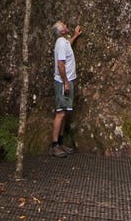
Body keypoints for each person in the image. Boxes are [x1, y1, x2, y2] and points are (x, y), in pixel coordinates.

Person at [50, 20, 82, 157]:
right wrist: (66, 83)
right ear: (61, 31)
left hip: (67, 81)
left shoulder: (63, 42)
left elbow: (68, 44)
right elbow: (60, 64)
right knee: (60, 113)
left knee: (65, 112)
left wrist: (75, 35)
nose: (66, 26)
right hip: (63, 82)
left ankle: (61, 142)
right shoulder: (60, 43)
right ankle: (54, 145)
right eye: (64, 25)